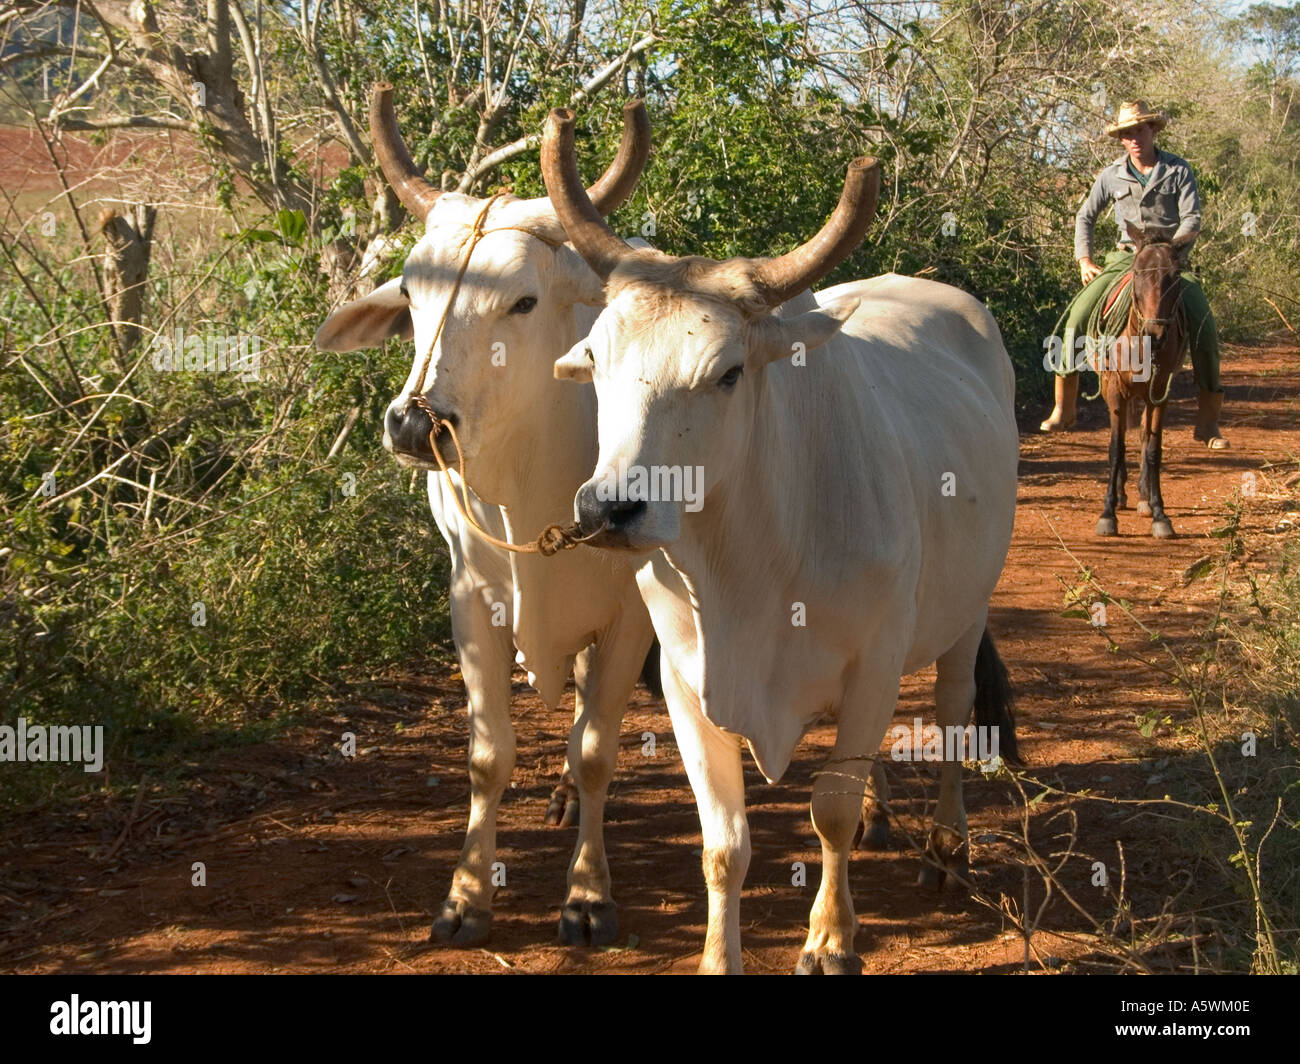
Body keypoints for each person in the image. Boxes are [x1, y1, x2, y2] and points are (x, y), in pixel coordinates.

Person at [1040, 100, 1228, 448]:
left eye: (1139, 130)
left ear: (1153, 130)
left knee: (1204, 322)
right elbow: (1085, 216)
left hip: (1167, 260)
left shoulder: (1178, 170)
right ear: (1122, 140)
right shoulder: (1111, 175)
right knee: (1076, 316)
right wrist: (1084, 259)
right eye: (1127, 134)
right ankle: (1064, 407)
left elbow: (1192, 218)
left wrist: (1172, 251)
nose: (1134, 139)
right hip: (1124, 258)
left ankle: (1208, 422)